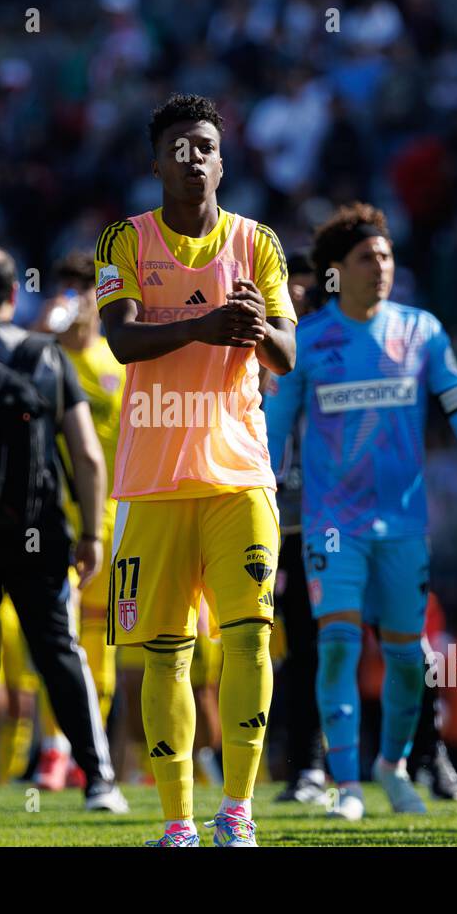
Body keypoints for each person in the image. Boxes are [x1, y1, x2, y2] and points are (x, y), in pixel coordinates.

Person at [263, 202, 457, 820]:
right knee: (337, 647)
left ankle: (395, 765)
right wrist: (262, 509)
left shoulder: (422, 332)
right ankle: (347, 785)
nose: (380, 266)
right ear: (335, 271)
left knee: (409, 659)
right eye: (365, 257)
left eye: (386, 255)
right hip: (330, 525)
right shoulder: (310, 341)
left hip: (404, 524)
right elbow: (271, 437)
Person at [96, 93, 297, 847]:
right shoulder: (123, 240)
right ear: (156, 163)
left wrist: (253, 329)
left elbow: (286, 353)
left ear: (222, 158)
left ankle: (238, 811)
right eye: (178, 147)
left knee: (248, 637)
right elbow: (121, 341)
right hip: (152, 475)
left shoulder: (258, 243)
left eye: (205, 146)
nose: (192, 158)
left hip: (239, 471)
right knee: (164, 652)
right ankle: (177, 821)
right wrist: (206, 325)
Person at [0, 245, 127, 817]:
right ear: (16, 295)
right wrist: (90, 533)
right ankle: (101, 783)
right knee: (60, 653)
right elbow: (86, 454)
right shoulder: (47, 355)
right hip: (42, 531)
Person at [30, 251, 125, 788]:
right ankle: (55, 748)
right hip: (52, 519)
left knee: (99, 638)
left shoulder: (118, 363)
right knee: (57, 638)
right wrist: (42, 332)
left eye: (86, 287)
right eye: (68, 287)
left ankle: (93, 750)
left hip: (110, 517)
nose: (78, 298)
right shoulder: (43, 356)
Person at [267, 251, 330, 806]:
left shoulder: (330, 353)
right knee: (298, 648)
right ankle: (304, 765)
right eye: (293, 291)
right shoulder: (256, 352)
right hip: (277, 523)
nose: (300, 302)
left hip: (334, 520)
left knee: (399, 640)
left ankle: (426, 759)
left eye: (308, 292)